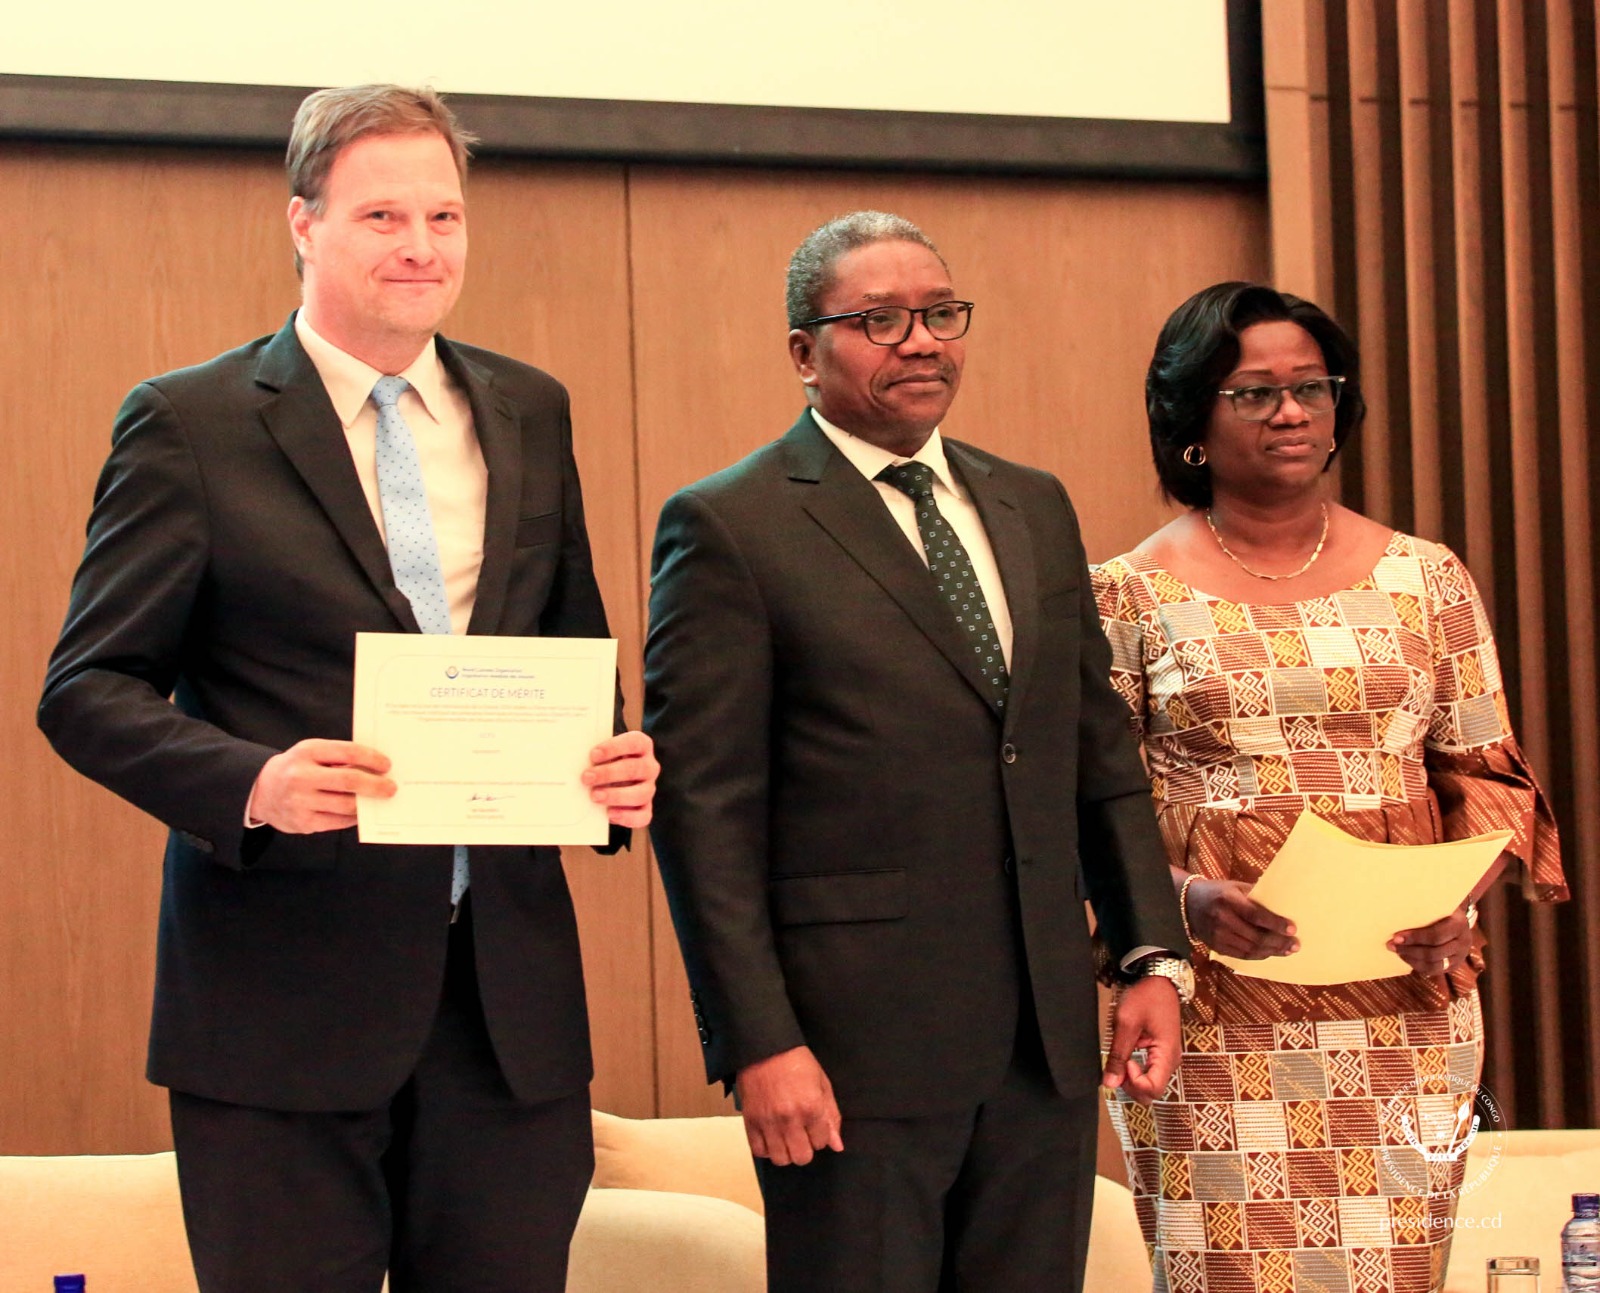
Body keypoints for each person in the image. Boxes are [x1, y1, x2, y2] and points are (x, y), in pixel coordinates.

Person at [37, 84, 658, 1293]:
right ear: (303, 224)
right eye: (382, 216)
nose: (421, 246)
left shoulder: (530, 408)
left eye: (444, 215)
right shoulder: (191, 424)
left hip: (507, 1013)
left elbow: (570, 654)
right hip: (279, 1012)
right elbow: (87, 686)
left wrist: (615, 762)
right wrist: (253, 782)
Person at [644, 209, 1190, 1293]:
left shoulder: (1030, 504)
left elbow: (1093, 746)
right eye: (879, 320)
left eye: (941, 313)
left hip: (1040, 1050)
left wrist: (1148, 954)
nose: (922, 341)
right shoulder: (730, 525)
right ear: (804, 352)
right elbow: (703, 812)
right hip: (849, 1056)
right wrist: (758, 1043)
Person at [1094, 281, 1566, 1293]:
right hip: (1210, 1007)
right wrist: (1183, 901)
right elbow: (1083, 809)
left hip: (1403, 1003)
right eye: (1255, 393)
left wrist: (1453, 900)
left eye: (1311, 387)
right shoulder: (1126, 592)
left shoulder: (1426, 578)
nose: (1292, 412)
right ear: (1191, 422)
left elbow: (1487, 773)